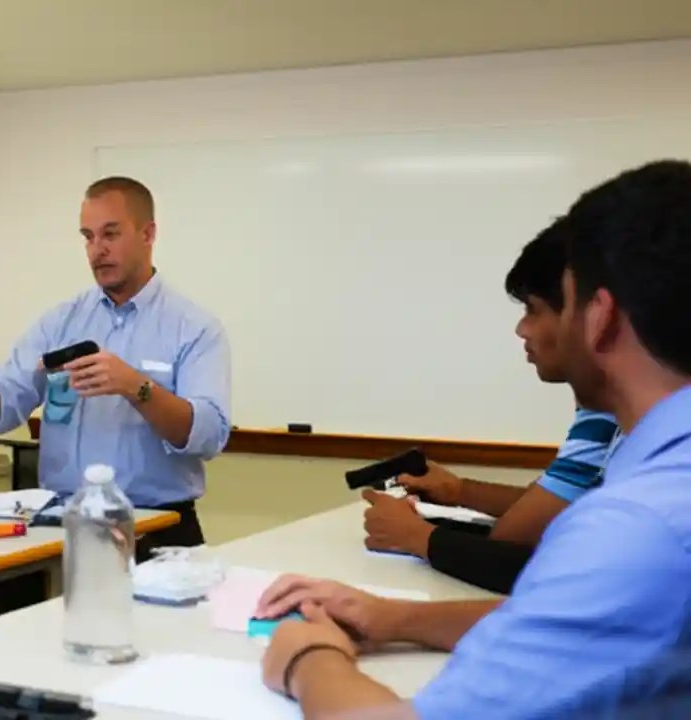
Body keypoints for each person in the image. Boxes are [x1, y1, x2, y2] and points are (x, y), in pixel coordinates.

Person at [255, 159, 691, 719]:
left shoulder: (640, 526)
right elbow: (579, 617)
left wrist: (309, 657)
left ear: (599, 317)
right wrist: (393, 617)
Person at [0, 176, 231, 559]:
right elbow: (3, 405)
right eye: (88, 237)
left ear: (148, 234)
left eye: (110, 234)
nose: (97, 250)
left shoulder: (194, 328)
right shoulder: (60, 322)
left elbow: (209, 434)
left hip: (156, 527)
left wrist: (136, 387)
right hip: (62, 523)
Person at [361, 218, 620, 593]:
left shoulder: (630, 416)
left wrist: (416, 536)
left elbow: (515, 543)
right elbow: (566, 511)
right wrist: (457, 491)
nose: (522, 330)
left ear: (596, 315)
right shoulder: (607, 411)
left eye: (533, 309)